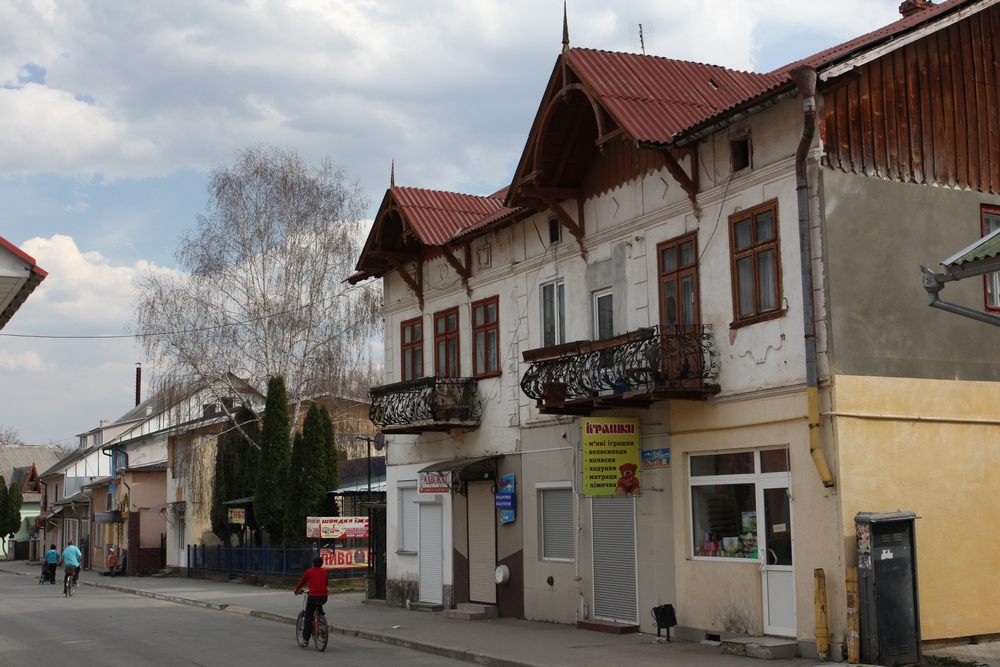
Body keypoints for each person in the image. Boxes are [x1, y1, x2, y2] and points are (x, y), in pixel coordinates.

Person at [293, 556, 328, 647]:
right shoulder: (324, 572)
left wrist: (296, 590)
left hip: (313, 597)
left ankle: (305, 639)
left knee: (308, 615)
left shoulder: (309, 571)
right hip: (324, 597)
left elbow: (302, 582)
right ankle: (322, 623)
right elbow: (326, 583)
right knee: (319, 608)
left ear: (313, 564)